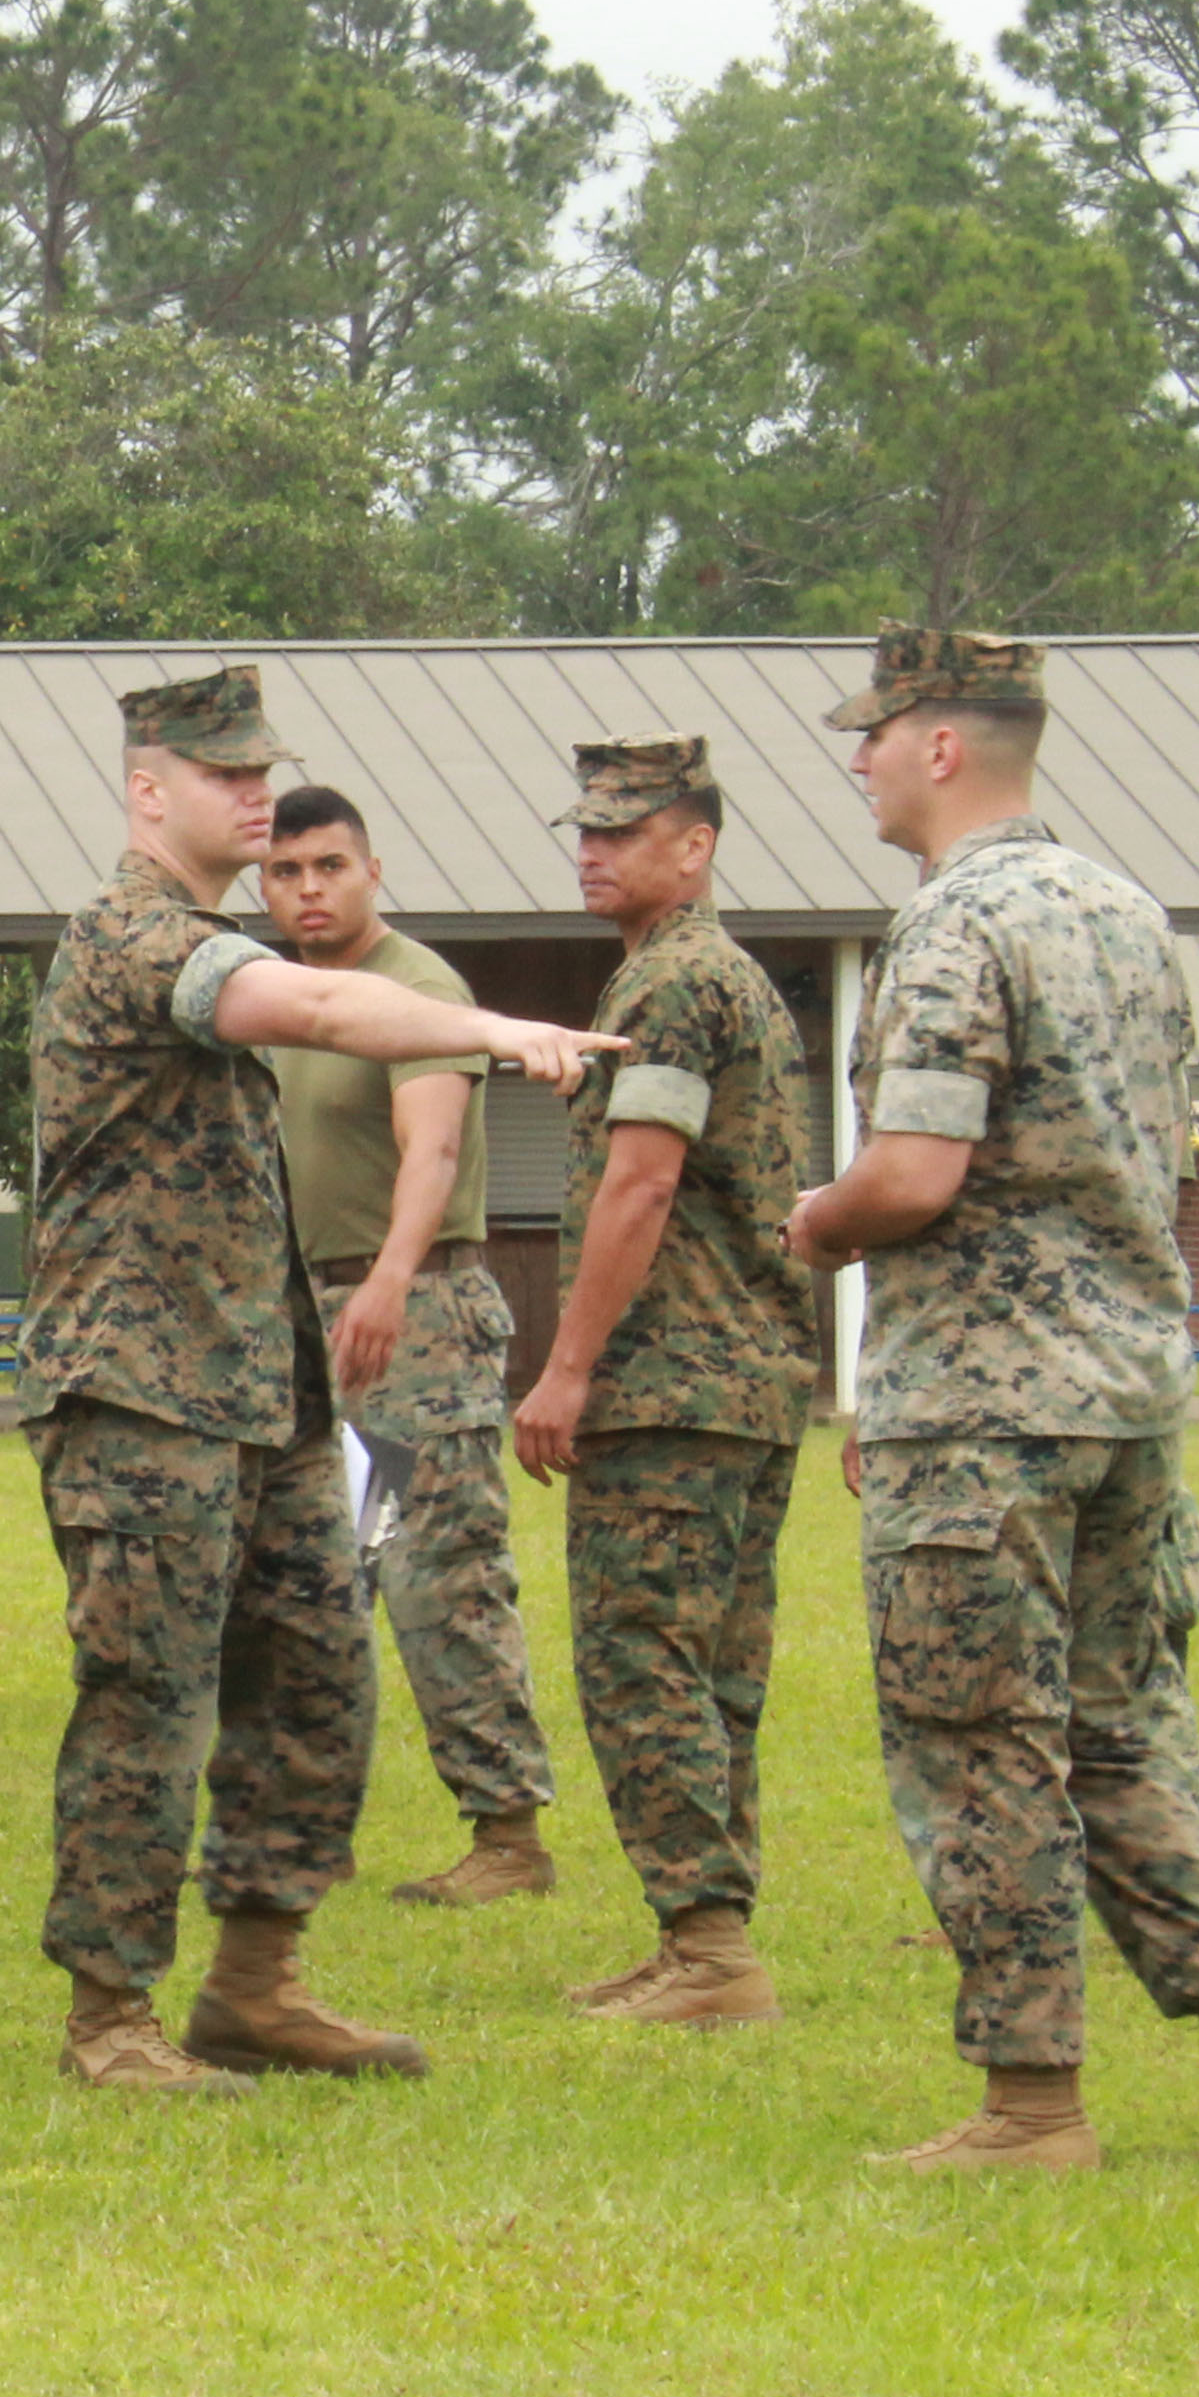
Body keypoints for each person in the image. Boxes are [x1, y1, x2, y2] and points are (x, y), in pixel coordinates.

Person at [785, 624, 1199, 2174]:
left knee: (978, 1742)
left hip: (982, 1409)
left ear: (943, 745)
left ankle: (1031, 2107)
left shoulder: (955, 926)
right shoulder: (1125, 911)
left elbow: (914, 1172)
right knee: (1116, 1732)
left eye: (875, 735)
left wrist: (818, 1222)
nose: (858, 762)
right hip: (1126, 1395)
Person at [21, 665, 622, 2097]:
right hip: (137, 1387)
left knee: (318, 1677)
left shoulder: (208, 932)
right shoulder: (130, 939)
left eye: (263, 770)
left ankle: (256, 1983)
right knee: (148, 1698)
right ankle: (110, 2019)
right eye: (224, 775)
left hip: (260, 1388)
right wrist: (487, 1031)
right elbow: (315, 1012)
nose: (253, 792)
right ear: (146, 790)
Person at [509, 737, 819, 2032]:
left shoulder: (680, 982)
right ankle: (704, 1940)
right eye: (583, 829)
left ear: (693, 847)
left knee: (643, 1660)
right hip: (748, 1381)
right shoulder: (698, 974)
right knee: (714, 1669)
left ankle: (707, 1947)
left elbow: (641, 1182)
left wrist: (567, 1369)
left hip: (673, 1386)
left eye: (623, 831)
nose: (592, 848)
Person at [260, 787, 559, 1907]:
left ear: (373, 871)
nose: (309, 891)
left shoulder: (421, 992)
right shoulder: (284, 1001)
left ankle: (509, 1837)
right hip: (303, 1314)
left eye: (329, 867)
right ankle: (306, 1830)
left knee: (443, 1579)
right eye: (286, 873)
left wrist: (388, 1281)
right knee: (304, 1585)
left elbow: (429, 1153)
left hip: (416, 1312)